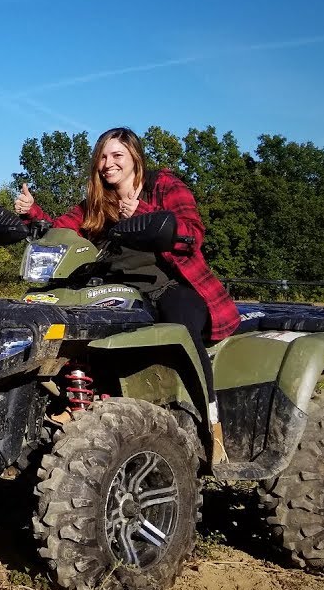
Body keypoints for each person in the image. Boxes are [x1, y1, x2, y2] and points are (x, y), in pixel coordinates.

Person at [14, 126, 237, 459]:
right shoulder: (98, 200)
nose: (108, 163)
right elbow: (62, 228)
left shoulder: (163, 185)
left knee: (183, 334)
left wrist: (143, 215)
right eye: (102, 156)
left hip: (171, 285)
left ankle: (211, 426)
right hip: (121, 287)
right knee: (78, 324)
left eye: (117, 155)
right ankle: (83, 407)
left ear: (135, 157)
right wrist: (32, 212)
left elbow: (193, 233)